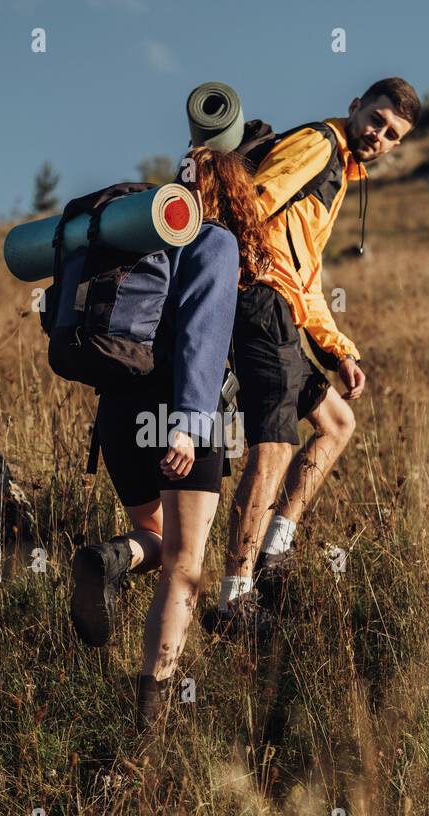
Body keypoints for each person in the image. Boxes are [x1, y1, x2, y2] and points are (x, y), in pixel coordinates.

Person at [69, 147, 272, 729]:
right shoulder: (214, 241)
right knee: (185, 565)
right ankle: (152, 717)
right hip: (178, 416)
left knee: (152, 536)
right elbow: (202, 344)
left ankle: (113, 556)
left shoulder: (141, 244)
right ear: (232, 194)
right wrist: (189, 424)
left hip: (117, 414)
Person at [216, 77, 421, 627]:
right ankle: (234, 595)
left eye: (391, 134)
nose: (378, 135)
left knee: (337, 423)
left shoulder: (341, 171)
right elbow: (254, 201)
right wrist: (244, 275)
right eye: (376, 120)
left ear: (396, 145)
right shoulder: (319, 145)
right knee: (274, 445)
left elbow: (306, 273)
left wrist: (339, 352)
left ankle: (274, 553)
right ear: (357, 107)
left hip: (283, 302)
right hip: (261, 300)